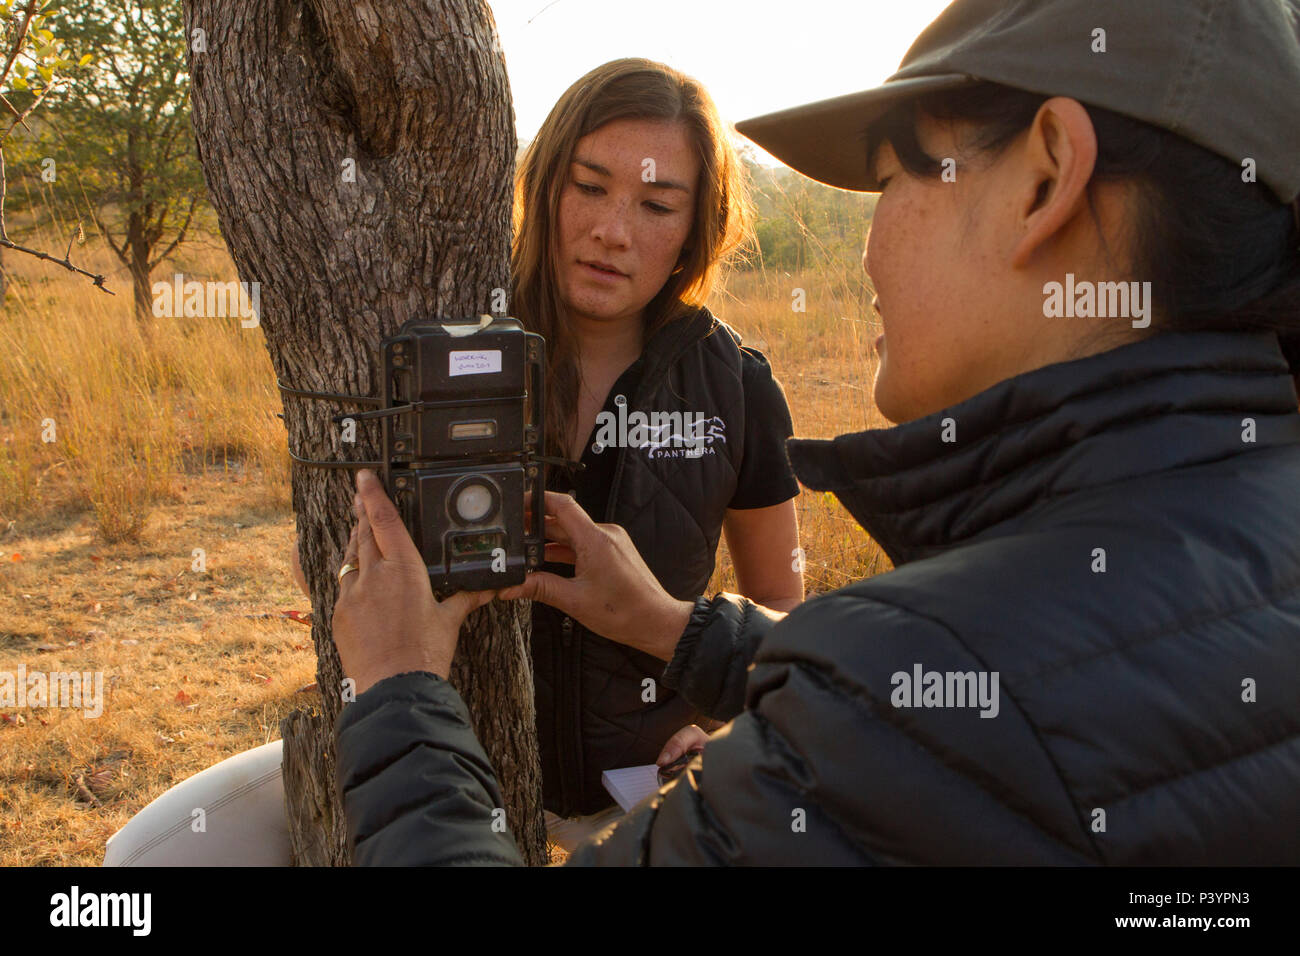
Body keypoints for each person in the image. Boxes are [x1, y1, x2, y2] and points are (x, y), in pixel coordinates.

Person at [330, 0, 1300, 865]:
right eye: (589, 187)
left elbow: (958, 712)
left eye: (887, 182)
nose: (869, 244)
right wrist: (678, 629)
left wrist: (401, 692)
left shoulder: (895, 695)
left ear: (1045, 179)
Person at [103, 58, 802, 865]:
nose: (614, 230)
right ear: (544, 185)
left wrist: (719, 727)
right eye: (589, 186)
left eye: (655, 204)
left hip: (641, 782)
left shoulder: (735, 384)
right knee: (153, 860)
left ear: (694, 226)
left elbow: (779, 602)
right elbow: (344, 548)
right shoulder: (444, 340)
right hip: (446, 757)